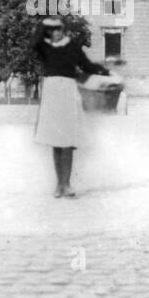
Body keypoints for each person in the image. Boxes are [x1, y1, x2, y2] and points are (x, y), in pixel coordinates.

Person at [33, 17, 109, 198]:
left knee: (67, 140)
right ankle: (58, 185)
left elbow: (86, 65)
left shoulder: (73, 46)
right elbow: (34, 41)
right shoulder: (44, 47)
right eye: (51, 31)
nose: (54, 33)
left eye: (58, 30)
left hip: (67, 92)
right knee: (55, 141)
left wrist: (103, 71)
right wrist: (44, 23)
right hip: (51, 93)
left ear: (63, 30)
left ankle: (67, 184)